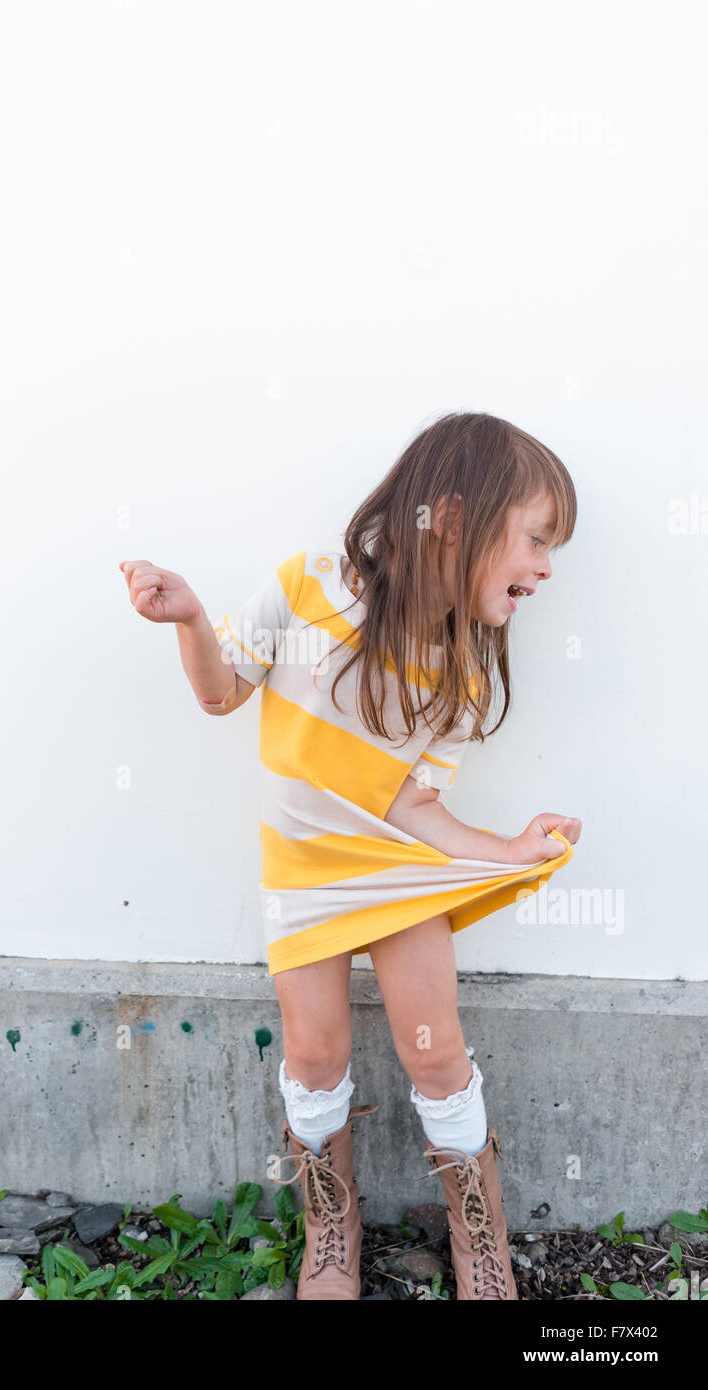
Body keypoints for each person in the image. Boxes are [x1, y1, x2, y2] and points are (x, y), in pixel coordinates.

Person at [119, 410, 582, 1301]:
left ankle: (475, 1232)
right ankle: (332, 1228)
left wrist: (506, 850)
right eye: (534, 540)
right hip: (303, 873)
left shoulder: (462, 669)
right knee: (315, 1050)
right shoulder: (305, 589)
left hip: (395, 873)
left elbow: (415, 805)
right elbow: (221, 694)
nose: (547, 567)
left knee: (436, 1051)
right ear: (453, 518)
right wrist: (188, 621)